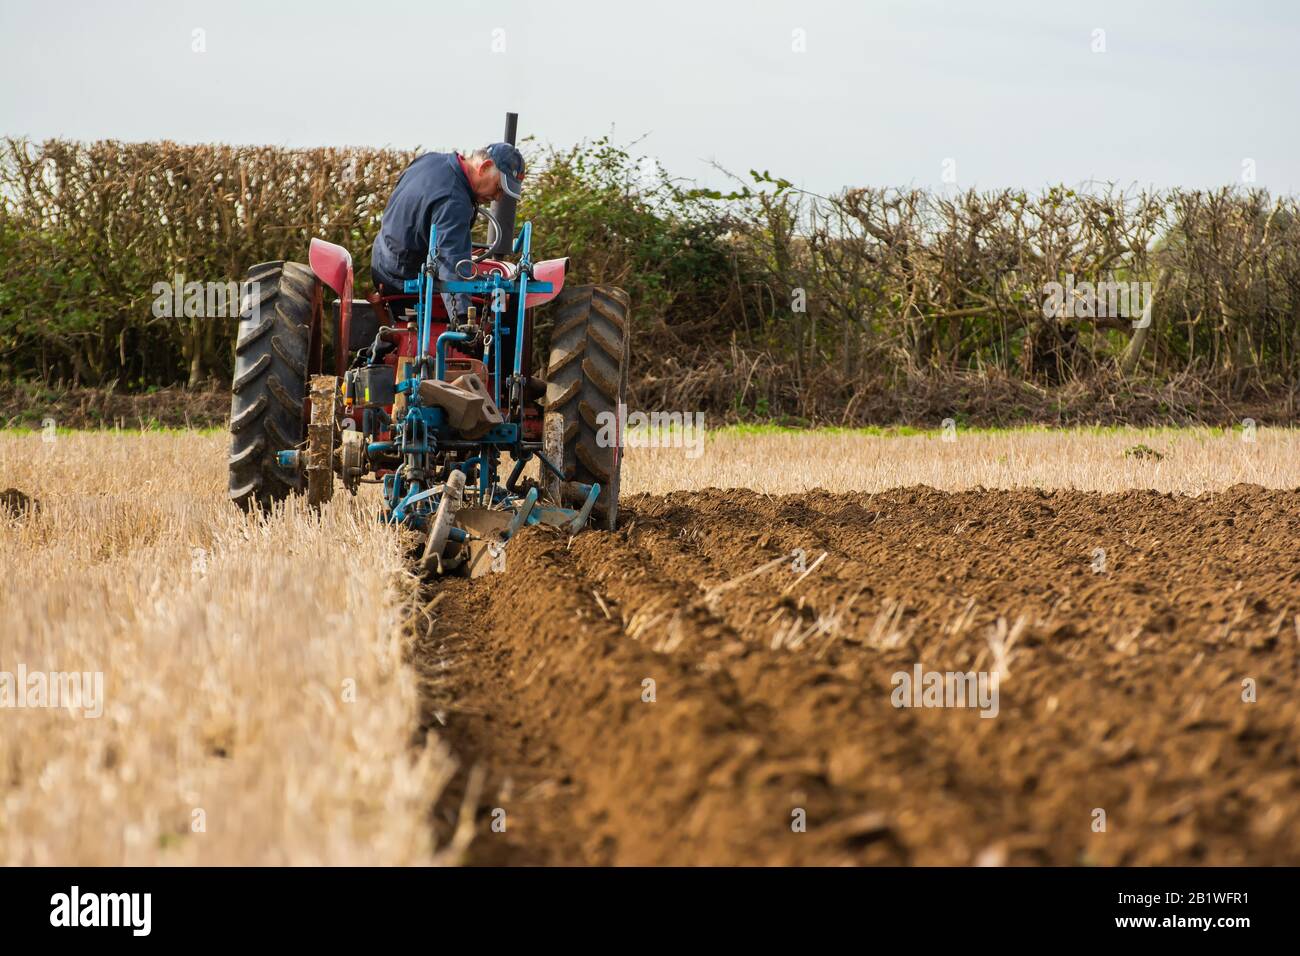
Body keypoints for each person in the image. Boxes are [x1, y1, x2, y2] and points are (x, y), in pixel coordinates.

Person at [370, 143, 525, 321]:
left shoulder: (430, 161)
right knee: (500, 295)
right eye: (499, 187)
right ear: (485, 167)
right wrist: (462, 317)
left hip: (383, 263)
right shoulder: (454, 200)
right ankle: (489, 347)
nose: (498, 197)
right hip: (403, 280)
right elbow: (451, 261)